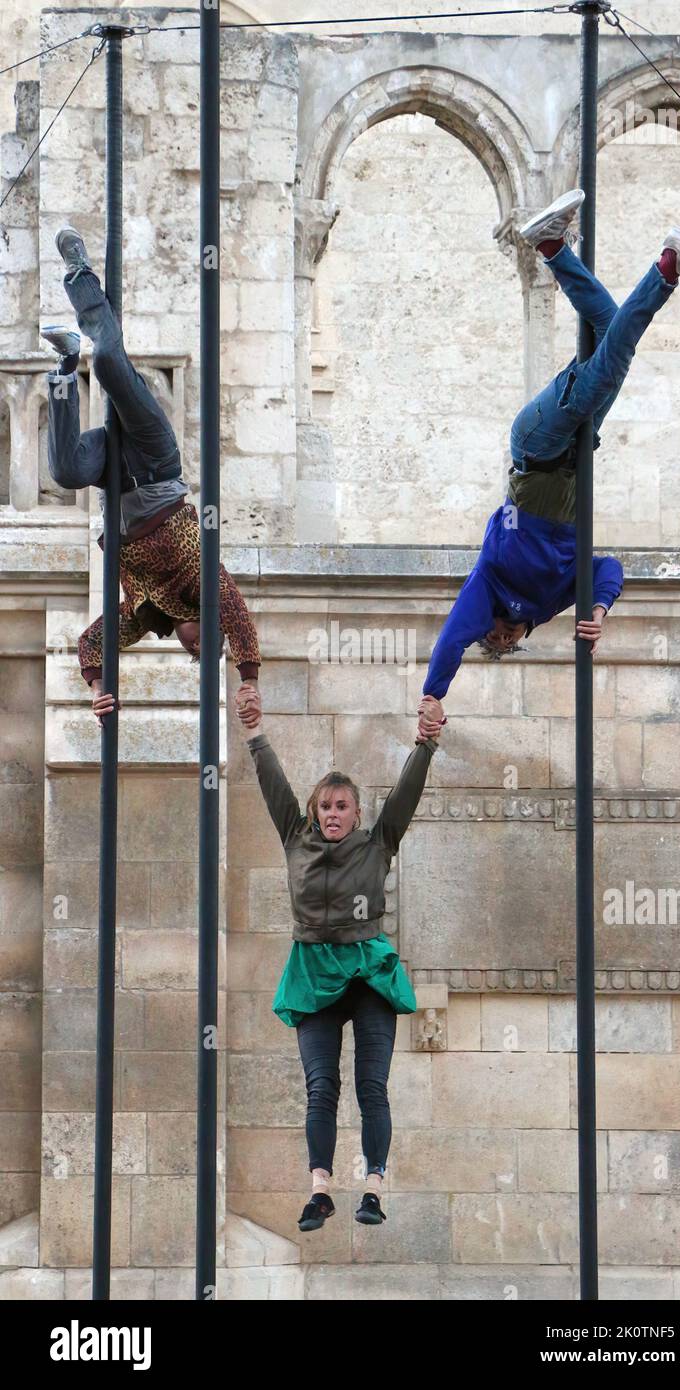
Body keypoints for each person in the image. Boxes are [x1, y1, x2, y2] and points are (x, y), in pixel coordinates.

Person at [420, 189, 680, 714]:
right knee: (610, 331)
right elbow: (607, 569)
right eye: (506, 644)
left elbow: (452, 637)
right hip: (575, 451)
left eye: (491, 639)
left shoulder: (487, 586)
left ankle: (670, 264)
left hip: (537, 446)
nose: (500, 636)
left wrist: (433, 694)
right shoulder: (551, 600)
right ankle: (554, 246)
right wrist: (600, 611)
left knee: (612, 361)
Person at [236, 682, 445, 1231]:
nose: (332, 814)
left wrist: (426, 743)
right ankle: (320, 1190)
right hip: (312, 971)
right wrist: (254, 729)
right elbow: (271, 780)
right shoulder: (294, 837)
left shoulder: (378, 843)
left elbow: (408, 793)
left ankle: (373, 1187)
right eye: (324, 806)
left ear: (356, 812)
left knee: (369, 1085)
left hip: (367, 971)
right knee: (320, 1087)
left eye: (341, 806)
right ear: (313, 812)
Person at [41, 226, 261, 727]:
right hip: (157, 465)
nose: (200, 644)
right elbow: (240, 618)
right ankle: (79, 274)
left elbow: (91, 643)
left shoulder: (143, 616)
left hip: (116, 486)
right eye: (211, 642)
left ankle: (62, 365)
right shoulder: (208, 585)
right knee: (112, 367)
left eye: (196, 652)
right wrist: (248, 680)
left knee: (68, 469)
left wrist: (97, 689)